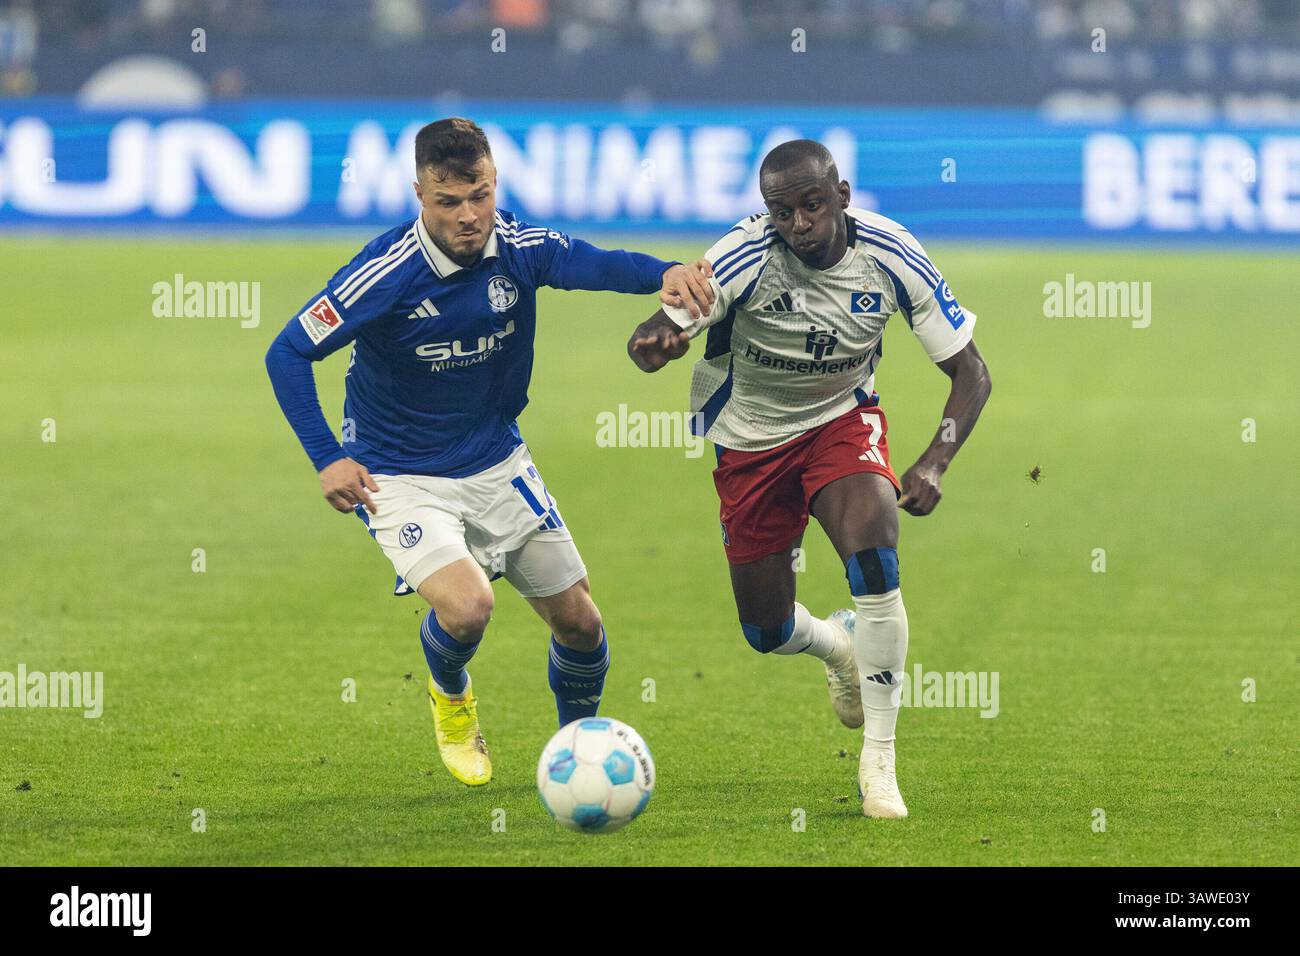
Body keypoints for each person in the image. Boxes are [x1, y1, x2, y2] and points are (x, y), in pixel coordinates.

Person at [266, 117, 714, 787]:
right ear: (420, 193)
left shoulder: (518, 245)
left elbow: (592, 262)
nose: (470, 216)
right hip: (398, 473)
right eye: (449, 202)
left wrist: (665, 274)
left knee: (582, 625)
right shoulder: (385, 273)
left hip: (498, 462)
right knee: (469, 607)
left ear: (495, 181)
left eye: (479, 195)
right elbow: (288, 350)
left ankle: (576, 755)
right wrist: (327, 455)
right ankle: (450, 693)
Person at [626, 139, 991, 818]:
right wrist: (655, 344)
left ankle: (879, 762)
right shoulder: (742, 254)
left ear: (842, 196)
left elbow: (972, 372)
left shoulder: (891, 254)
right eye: (781, 211)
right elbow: (656, 331)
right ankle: (836, 646)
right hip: (747, 437)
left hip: (840, 421)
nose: (797, 223)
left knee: (877, 558)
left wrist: (934, 460)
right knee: (764, 629)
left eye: (811, 205)